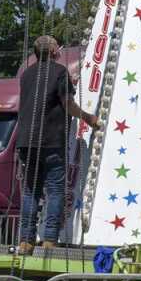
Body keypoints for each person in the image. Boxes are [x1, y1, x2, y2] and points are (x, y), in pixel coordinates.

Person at [15, 35, 99, 255]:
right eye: (57, 46)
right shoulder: (59, 72)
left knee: (30, 191)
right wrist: (88, 118)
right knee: (54, 190)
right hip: (51, 140)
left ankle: (26, 240)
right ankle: (50, 238)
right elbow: (67, 104)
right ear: (53, 52)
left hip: (26, 141)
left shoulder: (26, 75)